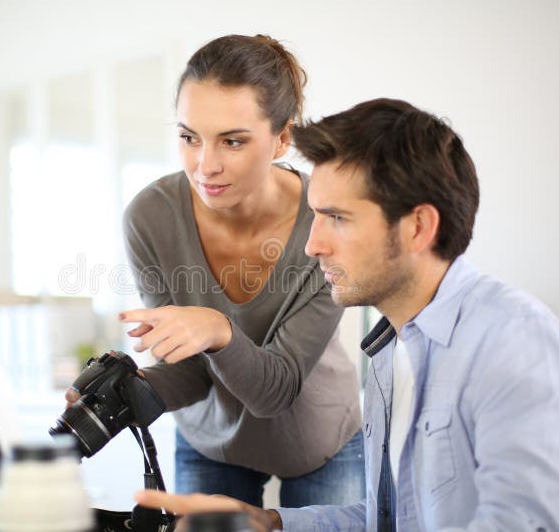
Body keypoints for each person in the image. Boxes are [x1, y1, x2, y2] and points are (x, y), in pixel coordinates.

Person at [134, 98, 559, 531]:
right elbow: (388, 519)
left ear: (418, 227)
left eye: (337, 218)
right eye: (315, 216)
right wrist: (269, 522)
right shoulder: (391, 351)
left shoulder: (513, 341)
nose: (312, 244)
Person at [66, 34, 365, 508]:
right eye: (189, 137)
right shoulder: (151, 217)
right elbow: (192, 373)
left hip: (315, 439)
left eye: (232, 141)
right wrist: (131, 391)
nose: (205, 166)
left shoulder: (326, 222)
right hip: (211, 442)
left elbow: (276, 391)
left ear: (282, 138)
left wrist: (218, 330)